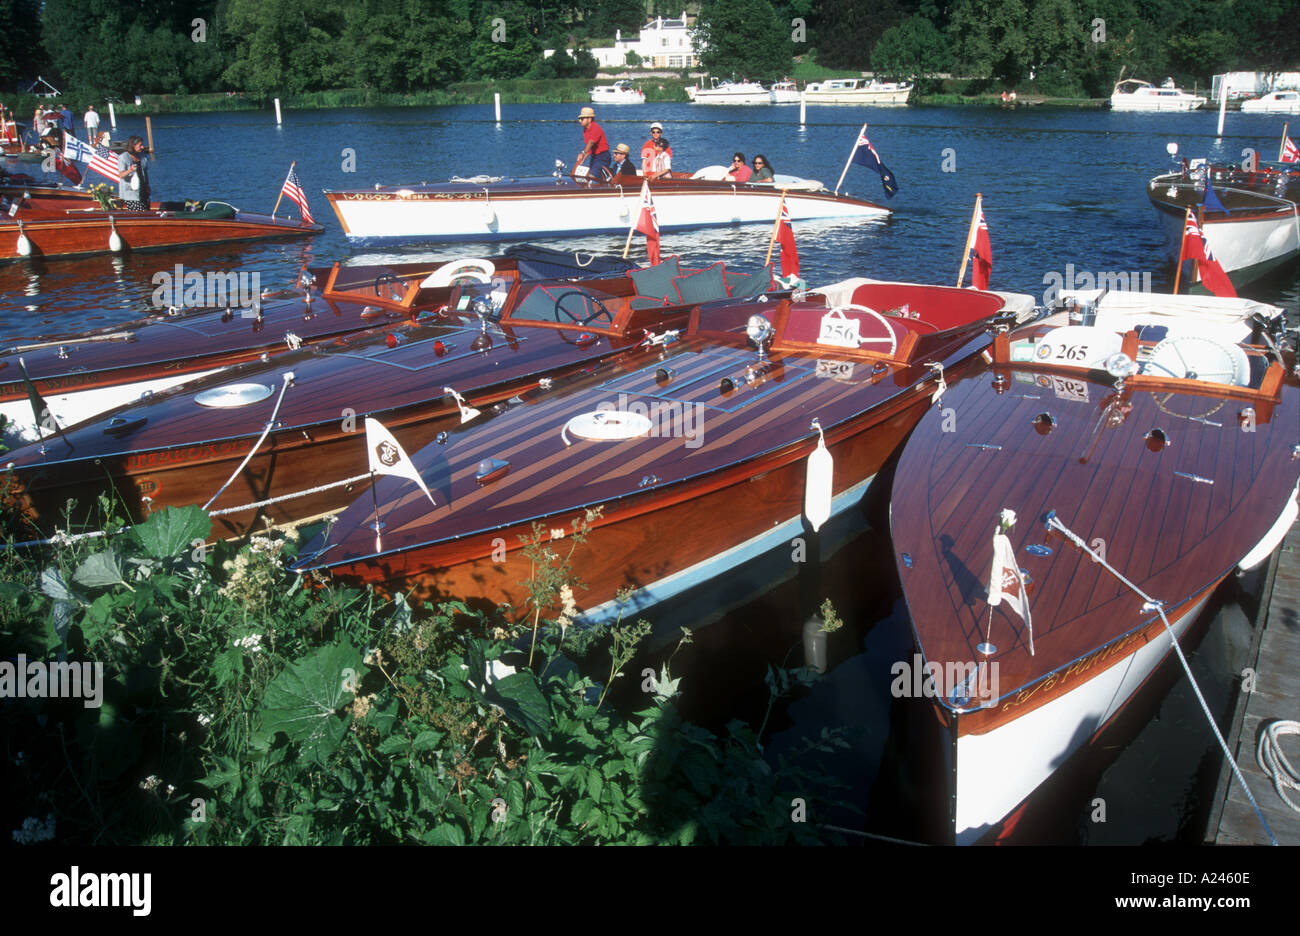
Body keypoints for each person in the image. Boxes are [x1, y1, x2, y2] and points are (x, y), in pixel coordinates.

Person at [574, 106, 610, 180]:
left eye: (582, 119)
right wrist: (583, 159)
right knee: (588, 176)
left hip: (603, 157)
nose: (580, 121)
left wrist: (583, 153)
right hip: (594, 157)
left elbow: (591, 143)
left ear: (589, 119)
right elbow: (589, 148)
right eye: (580, 119)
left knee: (592, 176)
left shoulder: (596, 128)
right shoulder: (585, 130)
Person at [117, 134, 150, 210]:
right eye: (140, 145)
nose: (142, 147)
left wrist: (147, 186)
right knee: (138, 214)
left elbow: (145, 173)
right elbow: (121, 175)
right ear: (133, 145)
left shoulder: (142, 156)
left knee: (146, 212)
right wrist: (130, 170)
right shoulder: (123, 157)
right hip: (131, 194)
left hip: (143, 192)